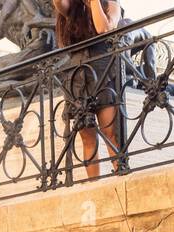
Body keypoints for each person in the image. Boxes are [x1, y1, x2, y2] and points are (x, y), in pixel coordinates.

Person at [56, 0, 121, 180]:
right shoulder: (72, 7)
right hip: (77, 76)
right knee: (87, 137)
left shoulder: (111, 4)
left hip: (102, 71)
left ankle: (121, 176)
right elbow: (58, 4)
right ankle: (93, 185)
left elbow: (103, 29)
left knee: (110, 132)